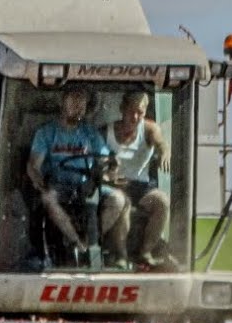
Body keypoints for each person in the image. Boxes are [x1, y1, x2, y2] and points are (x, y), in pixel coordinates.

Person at [27, 87, 130, 268]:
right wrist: (38, 180)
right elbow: (33, 165)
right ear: (62, 102)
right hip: (59, 186)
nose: (79, 106)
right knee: (48, 198)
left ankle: (89, 243)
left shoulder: (90, 133)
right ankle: (78, 244)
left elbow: (105, 158)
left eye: (82, 102)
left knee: (118, 199)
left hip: (86, 186)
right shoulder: (46, 133)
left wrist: (112, 165)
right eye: (74, 100)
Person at [104, 91, 173, 267]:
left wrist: (164, 153)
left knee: (162, 201)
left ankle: (146, 252)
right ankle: (121, 255)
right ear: (122, 109)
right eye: (131, 111)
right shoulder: (106, 131)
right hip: (114, 186)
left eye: (140, 112)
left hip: (142, 187)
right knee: (123, 202)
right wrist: (107, 172)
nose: (135, 117)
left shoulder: (149, 129)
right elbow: (98, 160)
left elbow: (161, 143)